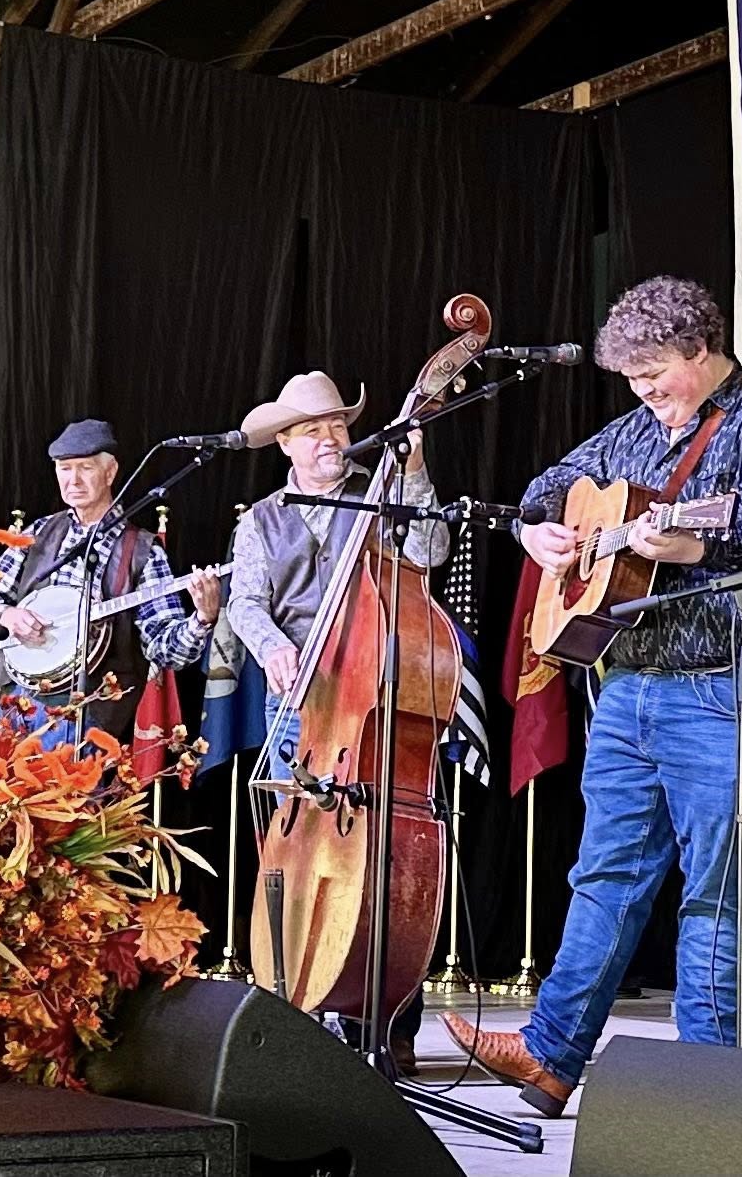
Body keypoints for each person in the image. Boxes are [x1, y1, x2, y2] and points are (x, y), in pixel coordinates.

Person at [439, 276, 742, 1116]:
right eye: (631, 377)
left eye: (653, 372)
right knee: (604, 872)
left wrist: (684, 541)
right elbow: (548, 485)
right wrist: (536, 529)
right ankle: (549, 1056)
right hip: (628, 685)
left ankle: (709, 1087)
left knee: (715, 885)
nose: (642, 390)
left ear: (702, 348)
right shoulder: (631, 431)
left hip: (729, 680)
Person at [226, 370, 449, 1075]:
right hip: (300, 703)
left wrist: (411, 469)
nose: (329, 439)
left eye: (337, 426)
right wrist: (272, 646)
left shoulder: (380, 496)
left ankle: (388, 1014)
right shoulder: (260, 518)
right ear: (285, 443)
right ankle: (300, 1005)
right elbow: (245, 602)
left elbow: (431, 552)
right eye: (312, 429)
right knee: (299, 857)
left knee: (384, 856)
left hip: (374, 700)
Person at [0, 418, 221, 749]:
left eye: (85, 468)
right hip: (14, 704)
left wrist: (201, 619)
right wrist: (6, 615)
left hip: (88, 716)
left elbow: (165, 651)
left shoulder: (142, 551)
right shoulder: (39, 533)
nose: (74, 480)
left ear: (110, 473)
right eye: (65, 469)